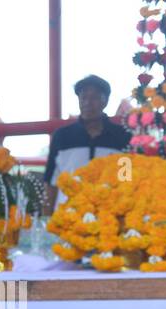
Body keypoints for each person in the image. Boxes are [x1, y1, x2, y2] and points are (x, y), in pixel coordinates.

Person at [44, 75, 130, 210]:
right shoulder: (61, 136)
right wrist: (46, 218)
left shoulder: (123, 136)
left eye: (94, 97)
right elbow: (51, 181)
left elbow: (126, 178)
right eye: (83, 97)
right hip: (66, 215)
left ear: (105, 101)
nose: (87, 102)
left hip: (109, 215)